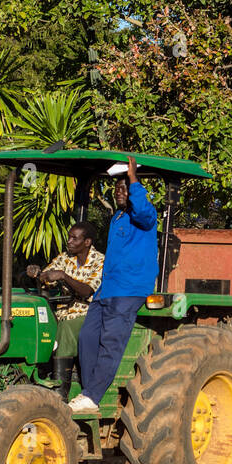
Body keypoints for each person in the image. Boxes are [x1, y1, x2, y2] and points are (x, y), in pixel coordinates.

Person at [72, 156, 157, 414]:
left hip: (129, 290)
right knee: (87, 337)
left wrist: (133, 179)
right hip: (107, 289)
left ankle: (93, 396)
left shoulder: (145, 215)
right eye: (117, 189)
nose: (120, 192)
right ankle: (90, 392)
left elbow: (141, 209)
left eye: (125, 189)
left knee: (111, 341)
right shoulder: (117, 218)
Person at [26, 221, 103, 385]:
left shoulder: (100, 261)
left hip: (89, 313)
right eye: (69, 237)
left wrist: (64, 276)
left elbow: (87, 291)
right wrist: (37, 273)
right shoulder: (65, 257)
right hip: (62, 311)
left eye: (74, 238)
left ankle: (61, 389)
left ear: (87, 242)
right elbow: (48, 276)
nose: (69, 241)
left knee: (66, 328)